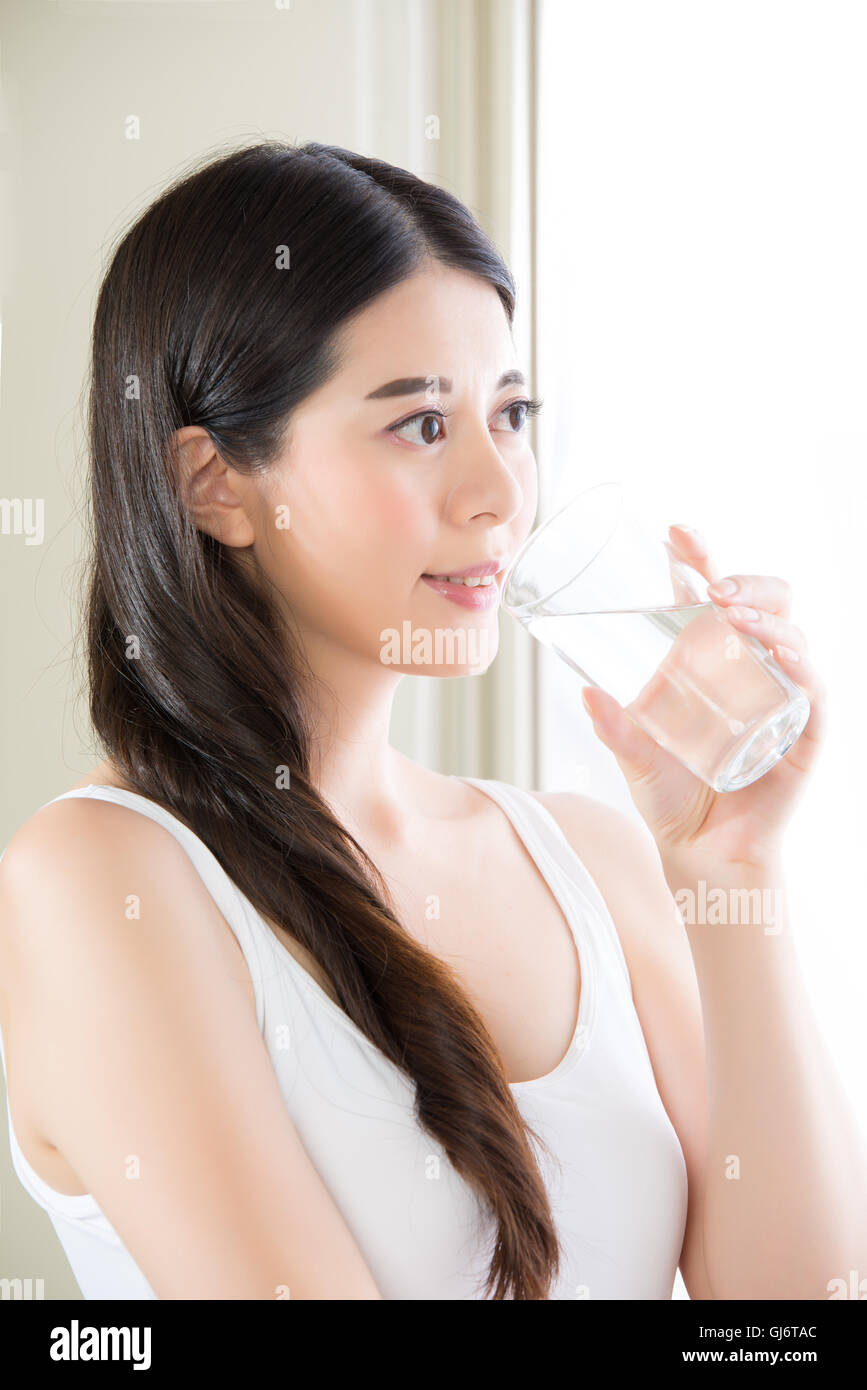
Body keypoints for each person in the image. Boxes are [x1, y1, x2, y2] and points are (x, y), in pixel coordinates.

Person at [0, 141, 862, 1302]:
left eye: (511, 414)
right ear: (218, 484)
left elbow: (790, 1323)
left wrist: (735, 871)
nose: (499, 490)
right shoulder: (103, 877)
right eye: (419, 425)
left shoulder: (593, 859)